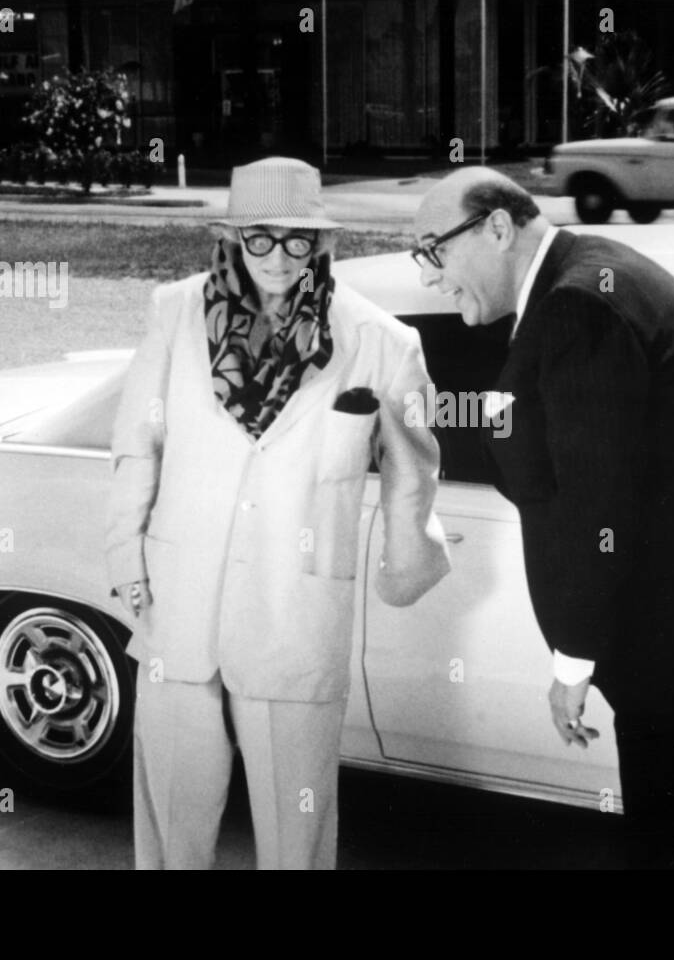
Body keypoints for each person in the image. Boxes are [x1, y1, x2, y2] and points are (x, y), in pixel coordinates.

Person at [411, 168, 674, 868]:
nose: (430, 277)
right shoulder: (593, 274)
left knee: (672, 826)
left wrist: (573, 660)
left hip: (673, 615)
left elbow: (597, 506)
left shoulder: (577, 306)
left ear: (497, 229)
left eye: (433, 250)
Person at [106, 157, 450, 870]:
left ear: (321, 245)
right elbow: (138, 446)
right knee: (171, 829)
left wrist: (404, 563)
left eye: (298, 241)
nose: (278, 257)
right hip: (180, 609)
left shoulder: (384, 341)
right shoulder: (173, 311)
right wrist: (126, 562)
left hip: (296, 621)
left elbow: (414, 473)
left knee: (298, 840)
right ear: (232, 236)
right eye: (259, 238)